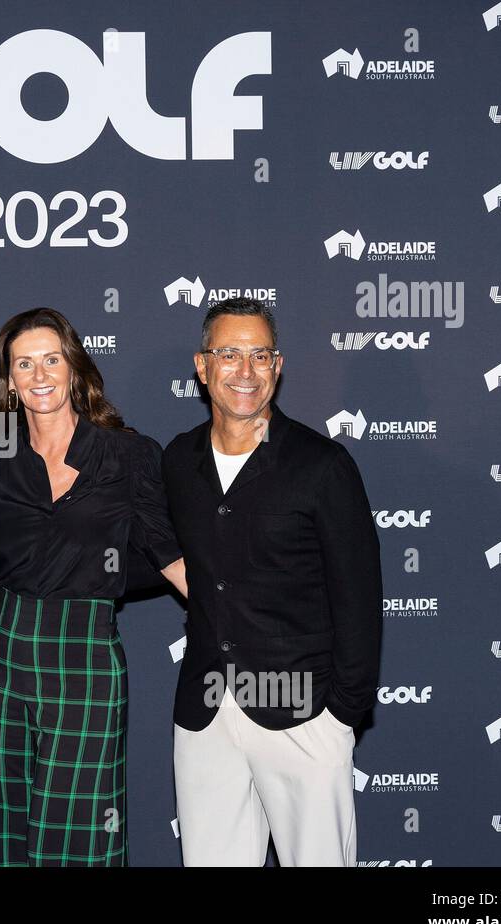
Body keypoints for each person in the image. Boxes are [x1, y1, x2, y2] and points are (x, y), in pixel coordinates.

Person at [0, 307, 187, 866]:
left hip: (85, 657)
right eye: (23, 364)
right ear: (7, 380)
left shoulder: (127, 455)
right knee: (3, 824)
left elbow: (171, 557)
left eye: (51, 359)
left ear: (75, 368)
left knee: (79, 832)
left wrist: (251, 624)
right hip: (5, 653)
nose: (40, 374)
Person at [161, 296, 382, 867]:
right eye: (229, 354)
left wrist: (340, 717)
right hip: (207, 713)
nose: (245, 371)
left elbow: (359, 601)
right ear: (202, 365)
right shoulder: (179, 461)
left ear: (277, 367)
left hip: (304, 715)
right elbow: (154, 550)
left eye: (260, 355)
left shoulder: (322, 465)